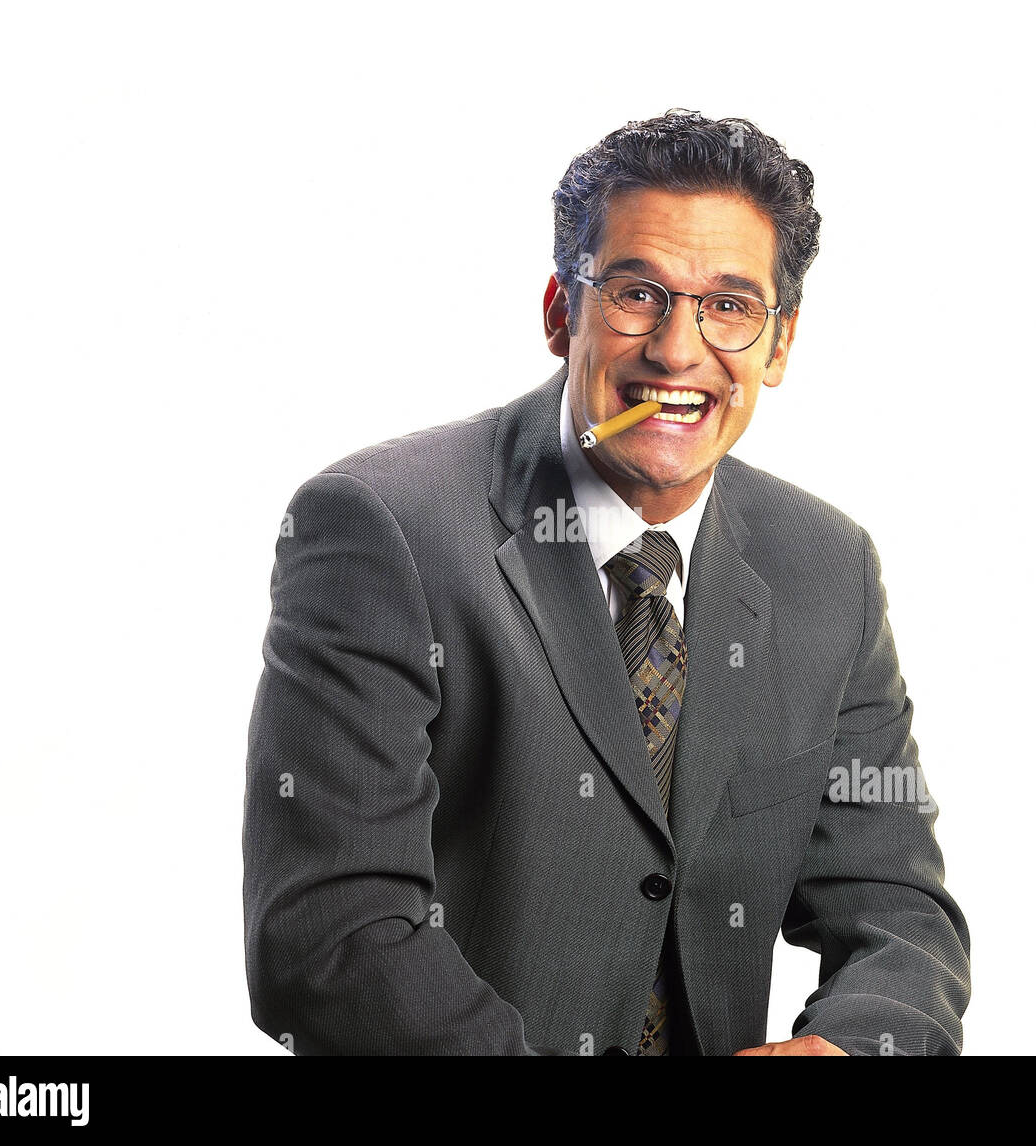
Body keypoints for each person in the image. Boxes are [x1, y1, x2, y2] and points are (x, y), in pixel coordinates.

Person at [242, 109, 971, 1056]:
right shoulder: (386, 529)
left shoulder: (826, 567)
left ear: (778, 344)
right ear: (560, 310)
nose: (678, 351)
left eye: (730, 306)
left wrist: (851, 1047)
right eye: (638, 294)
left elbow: (899, 911)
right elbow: (328, 937)